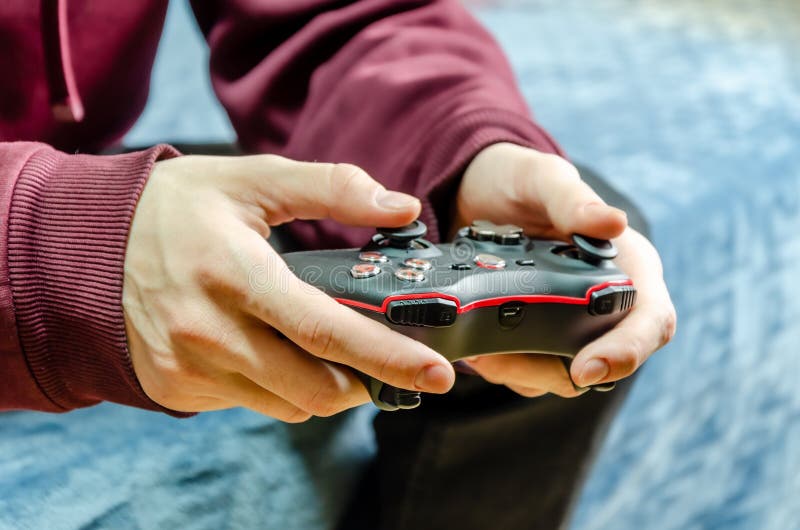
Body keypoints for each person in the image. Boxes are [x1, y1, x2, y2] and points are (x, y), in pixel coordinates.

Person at [0, 1, 676, 528]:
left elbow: (336, 16)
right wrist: (47, 243)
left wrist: (457, 154)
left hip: (64, 159)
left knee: (588, 254)